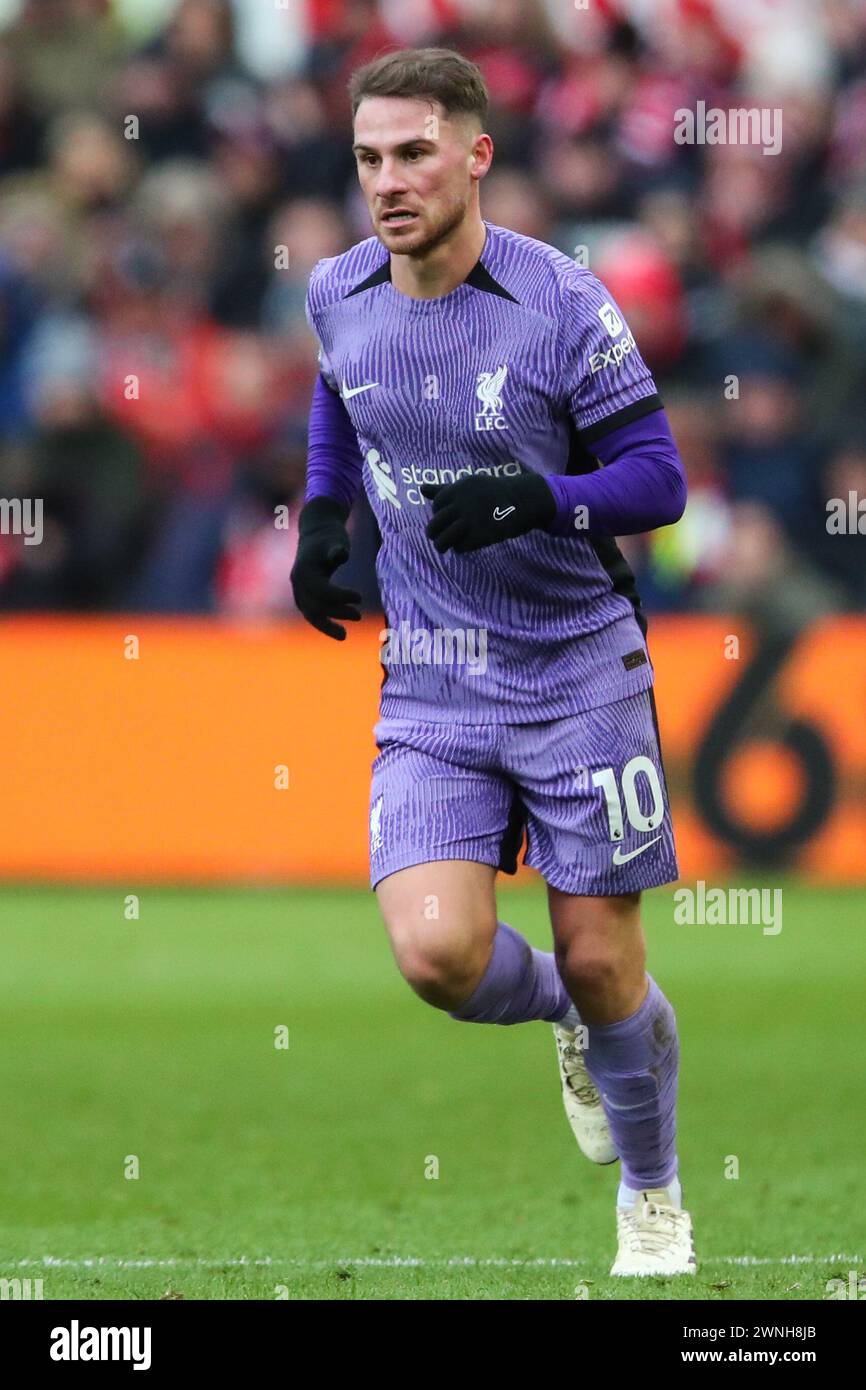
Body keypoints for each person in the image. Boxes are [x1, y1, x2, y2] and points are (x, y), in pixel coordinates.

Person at [291, 47, 692, 1278]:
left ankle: (652, 1195)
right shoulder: (335, 290)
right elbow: (339, 404)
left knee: (601, 950)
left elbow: (658, 481)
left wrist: (540, 500)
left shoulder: (562, 299)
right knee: (436, 955)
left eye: (412, 152)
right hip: (433, 682)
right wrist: (319, 516)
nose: (386, 181)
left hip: (577, 671)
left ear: (475, 155)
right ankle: (563, 1017)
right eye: (366, 158)